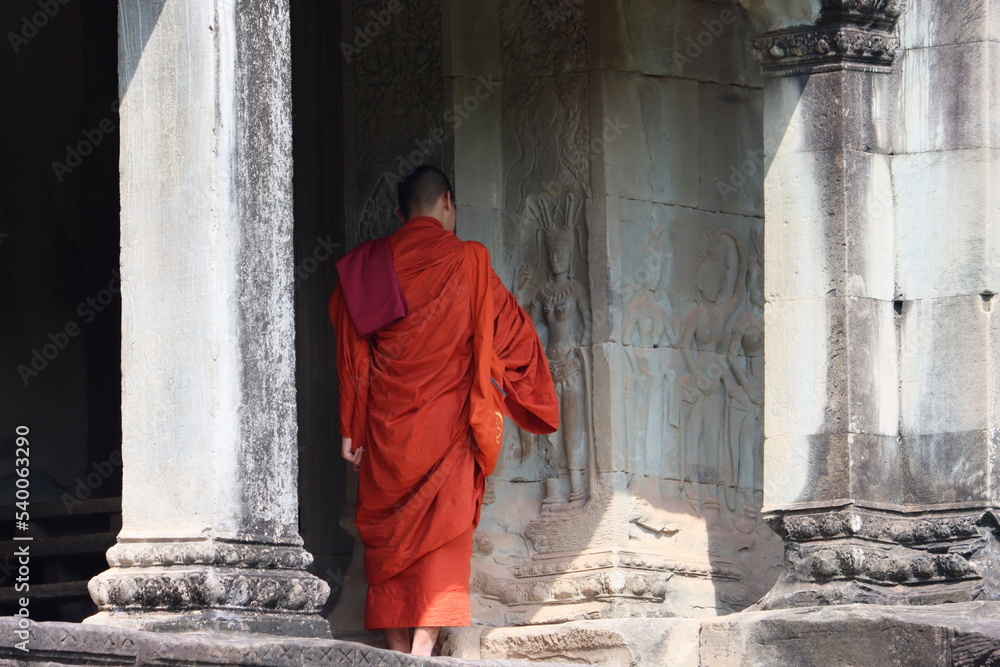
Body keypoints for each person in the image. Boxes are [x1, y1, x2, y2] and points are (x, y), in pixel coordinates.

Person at [329, 166, 559, 656]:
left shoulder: (369, 266)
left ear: (399, 214)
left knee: (389, 540)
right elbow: (515, 336)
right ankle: (422, 652)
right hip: (449, 426)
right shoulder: (470, 261)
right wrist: (523, 387)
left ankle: (395, 652)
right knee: (442, 537)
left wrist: (352, 425)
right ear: (448, 203)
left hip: (387, 433)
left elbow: (354, 353)